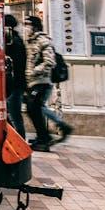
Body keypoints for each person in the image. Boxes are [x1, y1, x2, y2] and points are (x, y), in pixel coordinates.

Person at [24, 16, 73, 151]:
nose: (25, 27)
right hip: (34, 82)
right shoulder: (31, 41)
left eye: (28, 24)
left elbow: (49, 61)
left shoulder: (43, 40)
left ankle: (46, 137)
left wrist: (33, 72)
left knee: (34, 108)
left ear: (34, 26)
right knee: (36, 109)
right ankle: (45, 135)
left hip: (42, 81)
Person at [3, 14, 27, 140]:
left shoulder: (15, 42)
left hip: (15, 85)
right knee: (12, 114)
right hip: (14, 84)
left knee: (15, 115)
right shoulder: (14, 41)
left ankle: (20, 141)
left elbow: (17, 65)